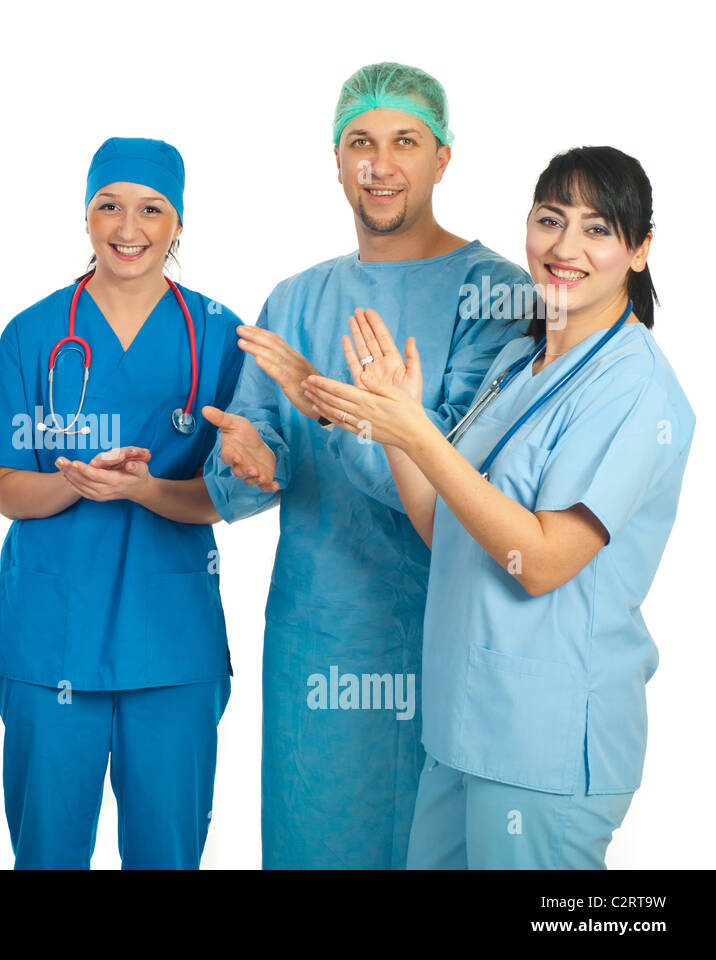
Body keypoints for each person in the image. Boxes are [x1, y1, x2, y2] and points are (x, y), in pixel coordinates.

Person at [301, 146, 694, 869]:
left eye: (599, 229)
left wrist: (419, 433)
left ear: (640, 250)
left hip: (542, 746)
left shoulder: (633, 387)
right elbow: (444, 527)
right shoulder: (519, 361)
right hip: (461, 730)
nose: (565, 247)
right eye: (550, 220)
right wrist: (399, 423)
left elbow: (541, 561)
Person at [202, 62, 531, 869]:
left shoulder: (497, 295)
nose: (379, 165)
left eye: (404, 142)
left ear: (443, 158)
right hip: (318, 645)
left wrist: (326, 402)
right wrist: (244, 464)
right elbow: (247, 466)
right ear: (337, 158)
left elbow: (448, 490)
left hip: (443, 640)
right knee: (315, 840)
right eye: (360, 143)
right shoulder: (295, 299)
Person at [0, 137, 244, 869]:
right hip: (52, 638)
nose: (128, 228)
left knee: (167, 855)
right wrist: (75, 481)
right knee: (46, 854)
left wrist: (145, 489)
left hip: (172, 643)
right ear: (86, 215)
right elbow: (7, 488)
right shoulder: (33, 335)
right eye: (109, 206)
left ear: (178, 223)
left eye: (151, 209)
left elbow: (224, 498)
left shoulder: (221, 336)